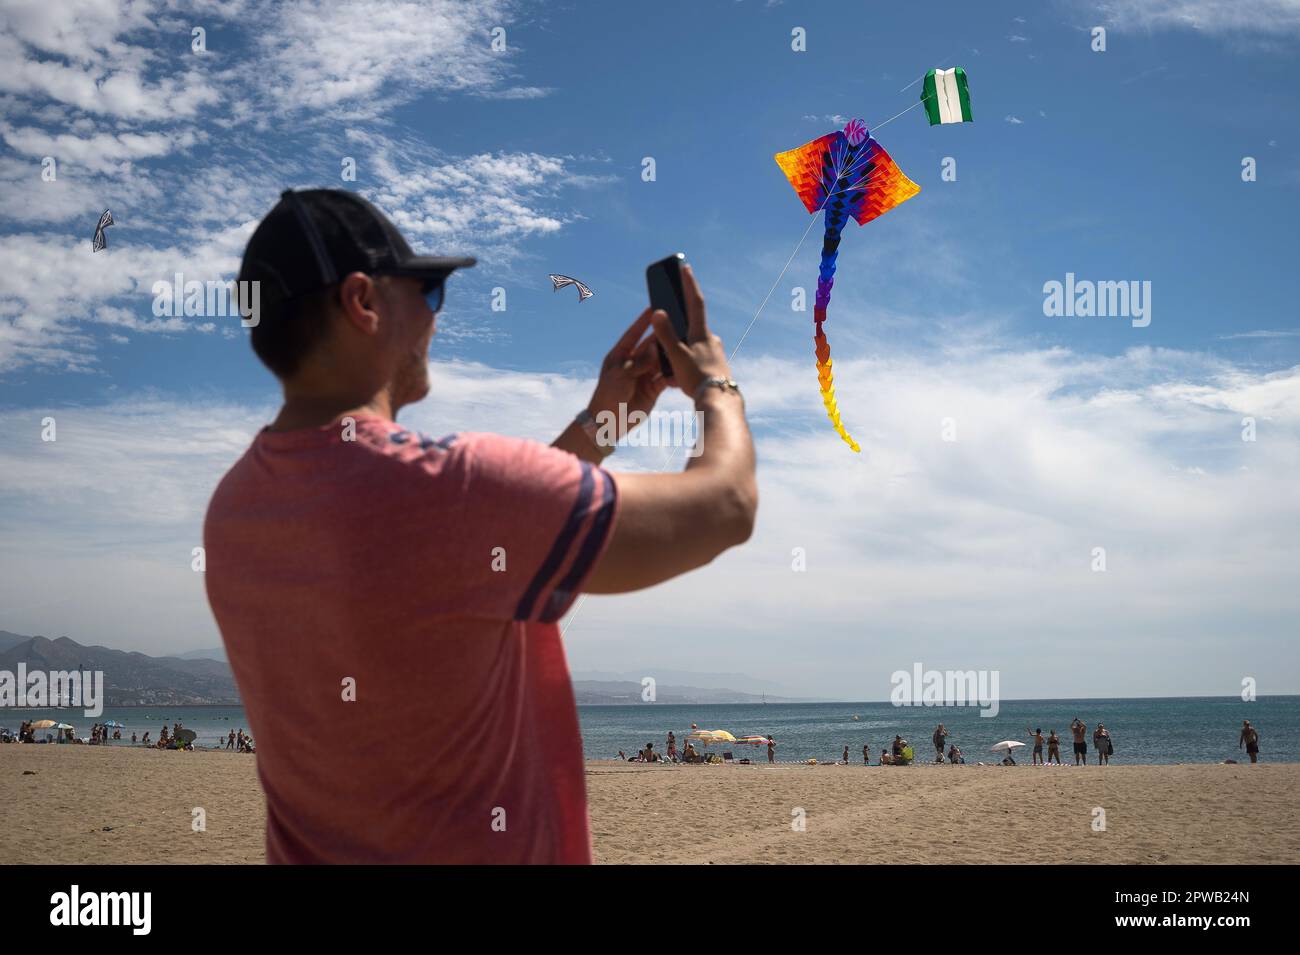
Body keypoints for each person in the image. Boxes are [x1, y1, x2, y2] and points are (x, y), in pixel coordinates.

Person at [205, 189, 756, 863]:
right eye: (429, 292)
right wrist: (715, 385)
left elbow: (478, 556)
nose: (436, 319)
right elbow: (725, 507)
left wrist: (603, 423)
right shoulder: (452, 488)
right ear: (363, 302)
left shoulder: (234, 508)